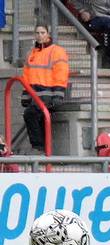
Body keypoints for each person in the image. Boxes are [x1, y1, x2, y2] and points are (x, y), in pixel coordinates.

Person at [22, 25, 70, 153]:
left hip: (49, 95)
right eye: (37, 32)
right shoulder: (31, 53)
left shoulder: (57, 51)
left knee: (30, 114)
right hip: (36, 96)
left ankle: (39, 147)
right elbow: (26, 77)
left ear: (48, 34)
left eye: (42, 32)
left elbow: (61, 73)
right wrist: (26, 96)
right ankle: (44, 150)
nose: (40, 35)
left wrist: (58, 94)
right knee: (40, 119)